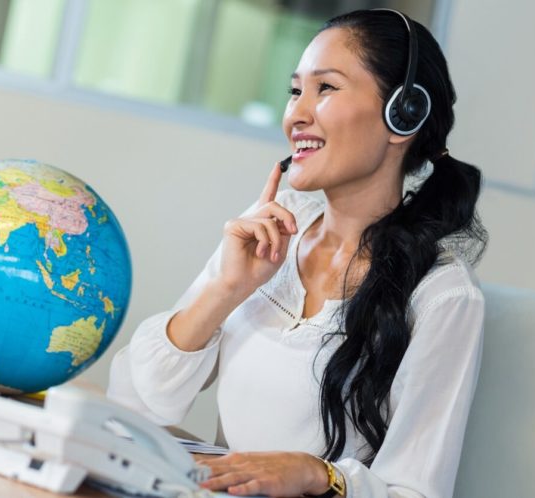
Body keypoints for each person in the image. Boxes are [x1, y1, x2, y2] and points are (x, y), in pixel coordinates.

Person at [107, 8, 488, 498]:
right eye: (294, 91)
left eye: (325, 88)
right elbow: (134, 407)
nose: (296, 115)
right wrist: (227, 289)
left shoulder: (444, 296)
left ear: (403, 115)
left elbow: (414, 492)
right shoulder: (274, 225)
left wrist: (318, 474)